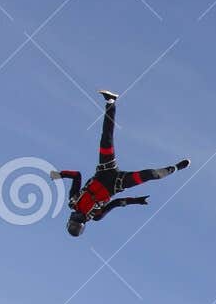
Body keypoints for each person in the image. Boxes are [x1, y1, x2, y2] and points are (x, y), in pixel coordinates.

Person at [52, 90, 190, 237]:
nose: (79, 218)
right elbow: (117, 203)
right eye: (80, 223)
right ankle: (176, 167)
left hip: (104, 169)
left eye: (75, 221)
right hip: (118, 184)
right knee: (151, 175)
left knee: (106, 139)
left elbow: (77, 176)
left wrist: (61, 174)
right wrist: (136, 201)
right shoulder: (96, 215)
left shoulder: (74, 200)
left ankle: (111, 102)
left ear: (70, 219)